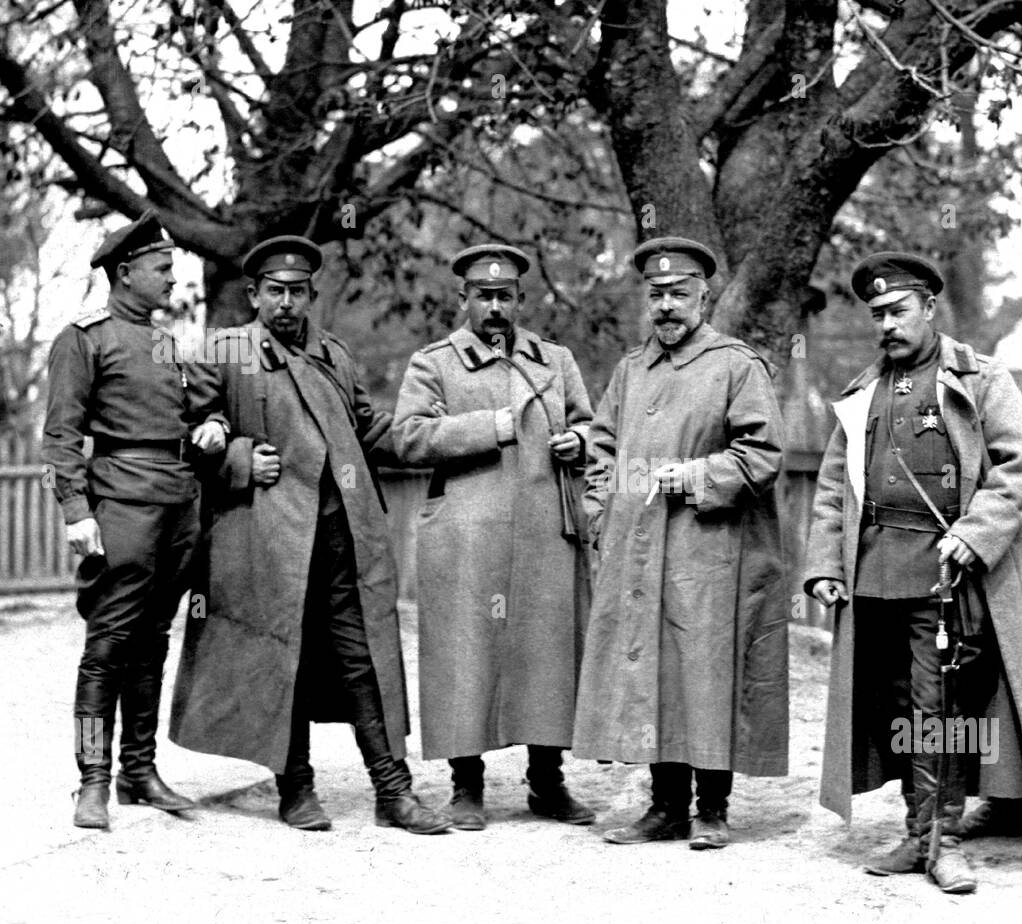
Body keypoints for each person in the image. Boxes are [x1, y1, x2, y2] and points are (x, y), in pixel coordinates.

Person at [170, 236, 450, 834]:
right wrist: (240, 459)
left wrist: (448, 439)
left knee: (363, 658)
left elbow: (369, 429)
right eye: (275, 291)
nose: (287, 303)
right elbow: (189, 435)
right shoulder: (226, 352)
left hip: (342, 534)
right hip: (268, 542)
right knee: (282, 659)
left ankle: (392, 792)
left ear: (310, 295)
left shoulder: (334, 354)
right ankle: (295, 789)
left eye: (298, 292)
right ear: (254, 294)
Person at [804, 252, 1022, 893]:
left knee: (935, 706)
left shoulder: (981, 378)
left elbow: (1019, 466)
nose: (887, 324)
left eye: (898, 311)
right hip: (873, 574)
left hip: (946, 576)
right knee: (892, 707)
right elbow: (835, 488)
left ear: (930, 308)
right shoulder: (863, 393)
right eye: (878, 314)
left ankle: (937, 841)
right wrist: (826, 565)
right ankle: (918, 828)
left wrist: (976, 533)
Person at [572, 236, 789, 850]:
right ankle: (665, 806)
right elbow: (601, 450)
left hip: (709, 548)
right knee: (654, 675)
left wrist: (696, 476)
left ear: (704, 295)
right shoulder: (629, 369)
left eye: (677, 293)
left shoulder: (734, 364)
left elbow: (764, 453)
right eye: (656, 294)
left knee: (706, 671)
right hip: (639, 550)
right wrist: (598, 515)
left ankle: (713, 809)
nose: (666, 306)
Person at [390, 243, 596, 830]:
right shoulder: (433, 364)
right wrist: (491, 427)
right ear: (464, 300)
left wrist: (578, 443)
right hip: (466, 534)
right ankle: (466, 786)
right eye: (484, 296)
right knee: (464, 655)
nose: (496, 308)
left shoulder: (554, 361)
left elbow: (592, 426)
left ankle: (547, 782)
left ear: (520, 300)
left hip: (543, 535)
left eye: (505, 297)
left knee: (546, 654)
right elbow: (406, 438)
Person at [43, 210, 229, 830]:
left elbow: (209, 407)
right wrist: (75, 510)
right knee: (108, 645)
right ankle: (91, 779)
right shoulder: (85, 338)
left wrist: (213, 426)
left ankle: (138, 772)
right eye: (161, 269)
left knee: (153, 641)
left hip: (180, 504)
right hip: (121, 503)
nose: (172, 281)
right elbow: (61, 434)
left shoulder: (169, 342)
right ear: (125, 274)